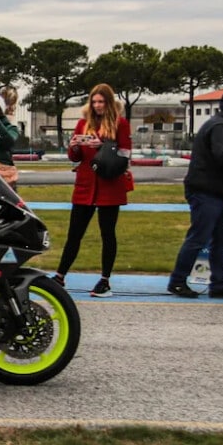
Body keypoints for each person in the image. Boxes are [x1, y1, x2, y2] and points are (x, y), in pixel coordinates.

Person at [167, 92, 223, 299]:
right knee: (199, 237)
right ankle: (178, 281)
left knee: (221, 240)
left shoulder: (222, 126)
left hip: (215, 191)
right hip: (207, 191)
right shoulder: (221, 128)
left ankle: (219, 284)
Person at [55, 83, 132, 298]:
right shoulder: (82, 123)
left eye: (102, 101)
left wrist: (102, 147)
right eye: (94, 101)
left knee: (107, 233)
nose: (97, 105)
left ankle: (105, 279)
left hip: (110, 185)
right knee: (74, 234)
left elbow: (125, 155)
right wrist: (74, 146)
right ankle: (60, 275)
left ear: (109, 103)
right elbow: (75, 157)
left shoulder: (121, 124)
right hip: (85, 185)